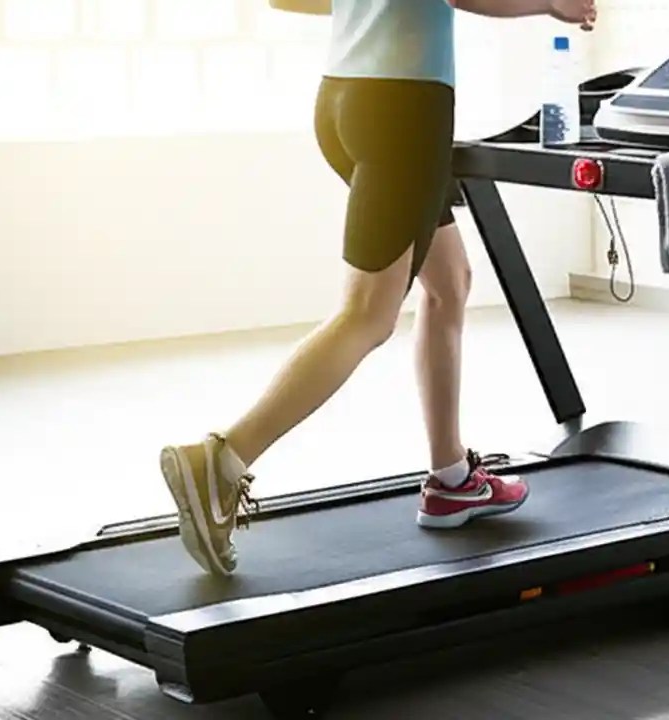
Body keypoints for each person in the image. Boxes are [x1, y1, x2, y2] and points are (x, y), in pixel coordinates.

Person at [158, 0, 598, 576]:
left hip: (345, 96)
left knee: (448, 280)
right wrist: (547, 4)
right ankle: (221, 459)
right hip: (404, 104)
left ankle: (451, 480)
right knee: (369, 313)